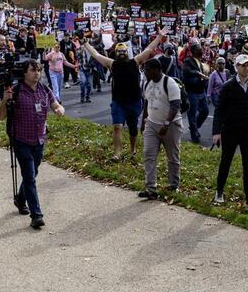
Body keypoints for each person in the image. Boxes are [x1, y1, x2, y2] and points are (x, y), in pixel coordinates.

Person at [0, 59, 65, 229]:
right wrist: (5, 100)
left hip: (39, 139)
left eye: (39, 70)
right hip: (21, 140)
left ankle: (21, 199)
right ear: (24, 74)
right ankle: (36, 215)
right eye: (33, 70)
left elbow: (56, 104)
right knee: (29, 176)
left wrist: (58, 110)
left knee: (32, 173)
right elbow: (1, 116)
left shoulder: (44, 89)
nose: (37, 73)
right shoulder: (16, 91)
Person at [84, 30, 164, 162]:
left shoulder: (135, 62)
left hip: (134, 102)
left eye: (124, 51)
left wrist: (160, 36)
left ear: (127, 52)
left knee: (133, 129)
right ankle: (117, 153)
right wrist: (85, 43)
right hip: (118, 102)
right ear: (116, 53)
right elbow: (96, 54)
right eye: (119, 51)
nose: (122, 53)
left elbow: (149, 48)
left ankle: (133, 149)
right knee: (117, 126)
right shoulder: (112, 64)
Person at [212, 53, 248, 213]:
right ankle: (219, 191)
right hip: (230, 130)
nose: (247, 68)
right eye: (243, 65)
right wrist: (216, 132)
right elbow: (219, 110)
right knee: (226, 161)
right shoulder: (228, 86)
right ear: (236, 67)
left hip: (247, 130)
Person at [139, 57, 183, 199]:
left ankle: (173, 184)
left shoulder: (169, 83)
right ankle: (150, 188)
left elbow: (175, 105)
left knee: (172, 157)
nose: (145, 73)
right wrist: (143, 122)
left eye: (147, 70)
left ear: (157, 70)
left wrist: (166, 124)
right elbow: (147, 103)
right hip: (151, 124)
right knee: (148, 155)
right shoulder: (147, 84)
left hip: (170, 126)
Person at [182, 42, 211, 143]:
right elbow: (186, 72)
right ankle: (194, 136)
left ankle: (194, 127)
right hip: (192, 92)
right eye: (199, 49)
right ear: (193, 51)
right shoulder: (188, 61)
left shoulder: (199, 61)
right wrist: (198, 73)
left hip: (201, 91)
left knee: (205, 111)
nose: (201, 50)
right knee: (192, 114)